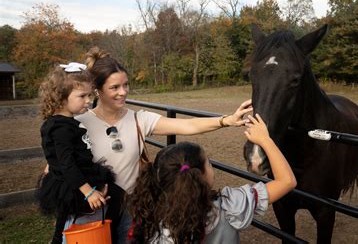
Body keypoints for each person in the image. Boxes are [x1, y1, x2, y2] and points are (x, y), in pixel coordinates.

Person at [68, 47, 253, 243]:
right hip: (94, 211)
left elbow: (187, 125)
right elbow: (61, 165)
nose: (123, 92)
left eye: (126, 85)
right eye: (114, 87)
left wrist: (226, 120)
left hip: (130, 212)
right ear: (97, 89)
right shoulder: (79, 124)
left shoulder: (139, 119)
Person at [128, 114, 297, 243]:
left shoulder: (152, 212)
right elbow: (287, 181)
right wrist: (265, 140)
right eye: (208, 163)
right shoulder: (229, 205)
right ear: (201, 176)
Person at [36, 63, 123, 244]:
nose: (88, 100)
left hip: (81, 175)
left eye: (90, 95)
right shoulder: (60, 128)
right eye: (82, 96)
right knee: (71, 219)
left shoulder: (67, 122)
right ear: (61, 98)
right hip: (74, 183)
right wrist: (88, 192)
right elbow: (67, 164)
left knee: (115, 195)